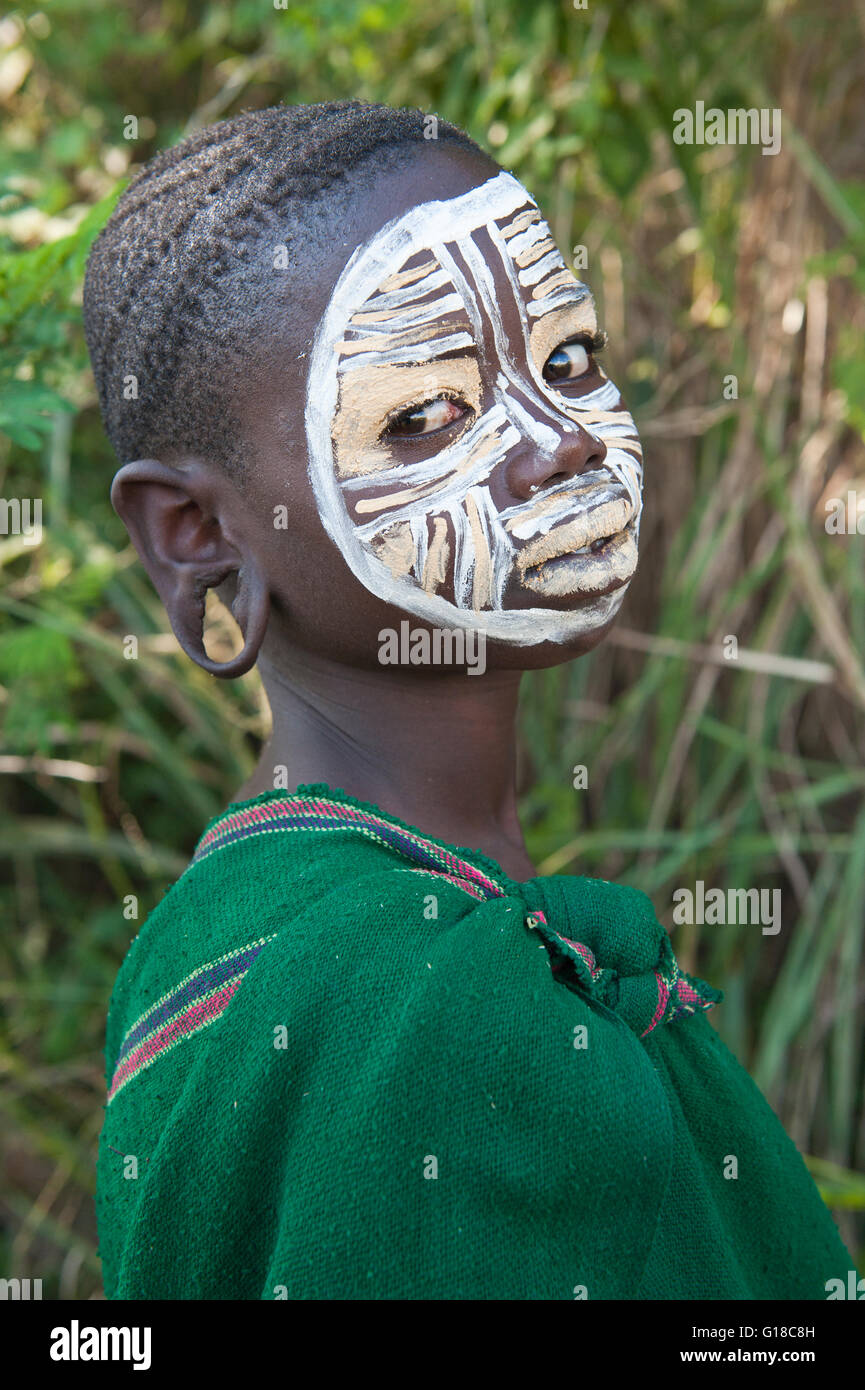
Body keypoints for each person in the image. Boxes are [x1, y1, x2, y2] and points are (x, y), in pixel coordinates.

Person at [83, 101, 855, 1299]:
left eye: (568, 360)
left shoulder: (299, 918)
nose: (563, 438)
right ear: (198, 535)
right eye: (428, 414)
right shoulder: (407, 1007)